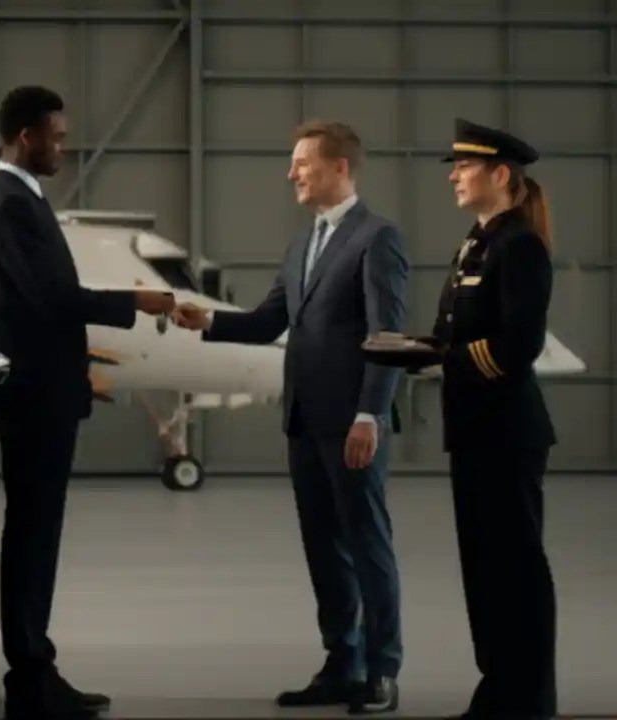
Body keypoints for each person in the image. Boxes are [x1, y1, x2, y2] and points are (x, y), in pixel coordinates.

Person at [172, 119, 409, 715]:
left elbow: (387, 336)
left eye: (302, 163)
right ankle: (342, 664)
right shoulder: (304, 243)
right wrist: (208, 321)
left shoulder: (376, 238)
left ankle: (382, 670)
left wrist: (369, 417)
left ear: (339, 168)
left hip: (352, 424)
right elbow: (268, 321)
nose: (291, 174)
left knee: (368, 546)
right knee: (324, 551)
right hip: (304, 421)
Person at [0, 84, 176, 720]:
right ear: (26, 136)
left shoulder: (12, 200)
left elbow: (45, 297)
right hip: (35, 398)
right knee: (33, 537)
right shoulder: (11, 205)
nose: (63, 146)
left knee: (33, 534)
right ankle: (31, 678)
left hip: (37, 391)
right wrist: (132, 302)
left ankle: (33, 668)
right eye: (56, 136)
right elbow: (53, 299)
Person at [379, 117, 559, 720]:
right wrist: (415, 348)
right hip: (477, 431)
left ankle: (527, 698)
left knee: (515, 569)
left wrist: (441, 357)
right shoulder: (476, 243)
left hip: (508, 431)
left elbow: (517, 346)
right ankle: (500, 689)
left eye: (465, 166)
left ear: (500, 174)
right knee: (484, 569)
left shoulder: (518, 245)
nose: (454, 175)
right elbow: (458, 332)